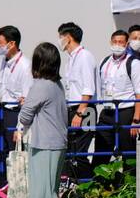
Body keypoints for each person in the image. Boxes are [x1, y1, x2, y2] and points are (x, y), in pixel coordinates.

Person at [15, 43, 70, 198]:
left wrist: (24, 104)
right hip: (55, 141)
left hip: (44, 142)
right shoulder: (56, 84)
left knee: (44, 189)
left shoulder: (40, 85)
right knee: (47, 187)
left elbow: (25, 114)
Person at [94, 29, 140, 167]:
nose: (117, 45)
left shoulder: (134, 63)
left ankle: (130, 185)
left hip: (126, 111)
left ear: (126, 44)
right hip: (107, 110)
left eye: (121, 42)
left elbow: (139, 92)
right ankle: (100, 185)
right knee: (101, 150)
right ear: (110, 42)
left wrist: (136, 119)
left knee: (128, 152)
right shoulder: (104, 61)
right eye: (115, 42)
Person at [58, 22, 97, 181]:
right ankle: (74, 187)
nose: (59, 40)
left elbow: (88, 88)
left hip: (85, 110)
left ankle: (89, 188)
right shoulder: (71, 59)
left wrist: (80, 113)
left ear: (68, 37)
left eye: (60, 36)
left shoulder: (85, 56)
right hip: (72, 108)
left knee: (80, 153)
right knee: (70, 152)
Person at [0, 25, 31, 187]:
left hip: (15, 114)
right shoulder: (5, 61)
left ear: (12, 44)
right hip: (2, 112)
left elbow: (26, 99)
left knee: (13, 155)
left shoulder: (25, 65)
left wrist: (19, 127)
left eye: (0, 42)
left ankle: (12, 195)